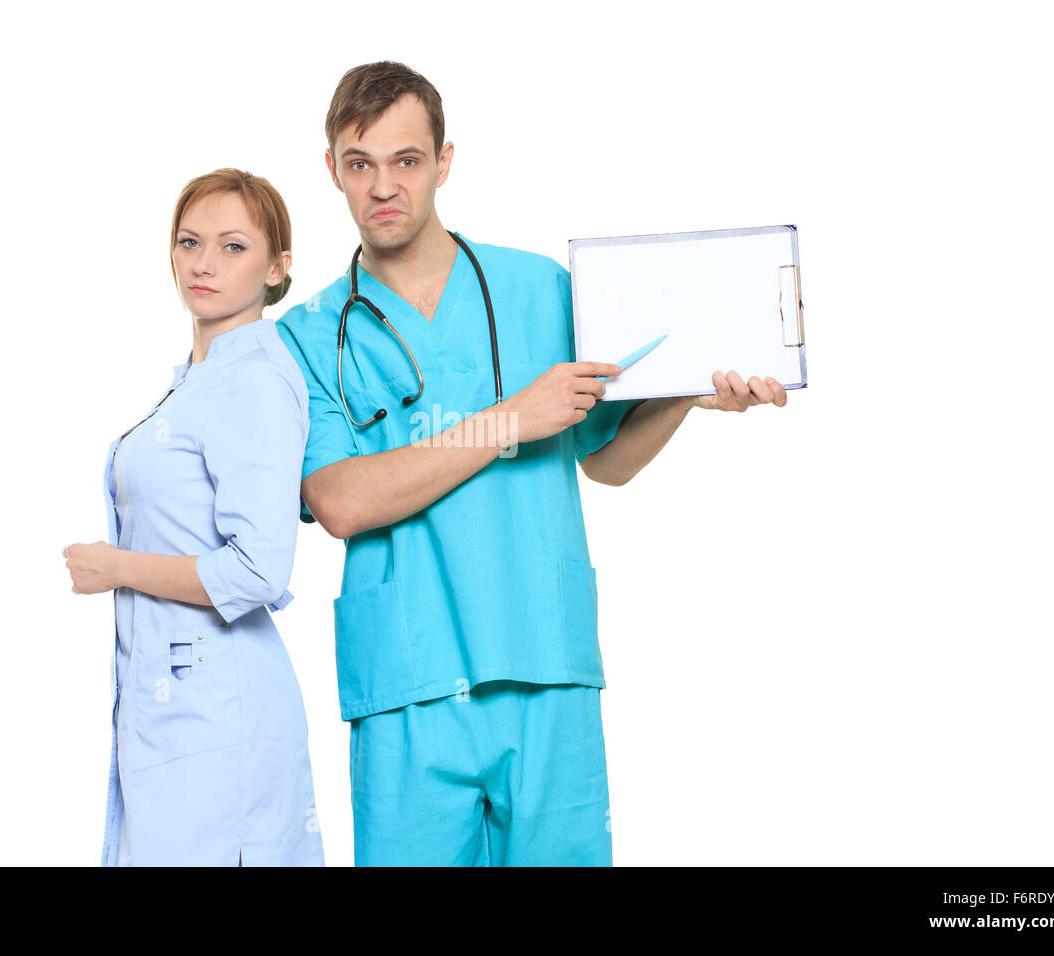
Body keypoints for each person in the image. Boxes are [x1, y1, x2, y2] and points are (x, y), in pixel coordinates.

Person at [276, 62, 788, 866]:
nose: (383, 186)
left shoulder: (541, 290)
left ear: (444, 162)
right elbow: (338, 500)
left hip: (545, 670)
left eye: (406, 160)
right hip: (409, 688)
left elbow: (606, 463)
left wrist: (683, 397)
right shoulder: (309, 336)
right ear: (332, 169)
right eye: (360, 162)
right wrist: (512, 418)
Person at [64, 168, 324, 866]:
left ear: (278, 267)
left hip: (219, 712)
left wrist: (117, 568)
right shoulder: (199, 381)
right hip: (178, 707)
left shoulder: (256, 380)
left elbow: (259, 567)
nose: (204, 263)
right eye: (190, 241)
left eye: (233, 247)